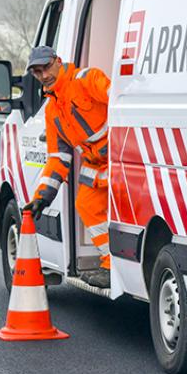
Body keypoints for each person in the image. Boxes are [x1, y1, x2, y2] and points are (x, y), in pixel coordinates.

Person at [22, 46, 112, 288]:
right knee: (86, 204)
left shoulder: (86, 80)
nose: (44, 76)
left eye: (46, 68)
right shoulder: (52, 111)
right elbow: (58, 158)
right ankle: (111, 264)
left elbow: (119, 103)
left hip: (122, 156)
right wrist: (42, 197)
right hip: (97, 165)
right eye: (37, 72)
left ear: (58, 61)